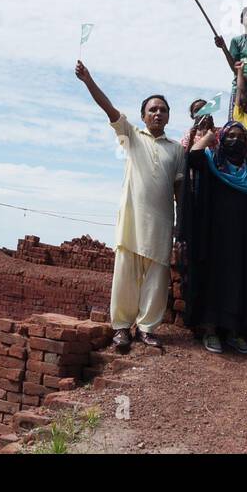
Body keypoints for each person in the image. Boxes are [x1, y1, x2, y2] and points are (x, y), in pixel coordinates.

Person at [75, 61, 184, 352]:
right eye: (153, 109)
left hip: (161, 223)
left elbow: (179, 189)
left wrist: (181, 224)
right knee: (125, 276)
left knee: (156, 280)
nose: (158, 113)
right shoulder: (131, 136)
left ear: (169, 116)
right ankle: (122, 328)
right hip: (132, 220)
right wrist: (88, 81)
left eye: (163, 110)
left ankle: (147, 329)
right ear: (143, 116)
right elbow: (108, 108)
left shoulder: (177, 149)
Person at [179, 121, 247, 355]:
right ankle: (210, 331)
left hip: (242, 240)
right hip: (213, 237)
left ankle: (235, 333)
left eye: (240, 137)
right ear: (222, 139)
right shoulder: (212, 162)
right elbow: (193, 155)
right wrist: (209, 135)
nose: (235, 141)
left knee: (240, 283)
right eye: (229, 136)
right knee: (213, 281)